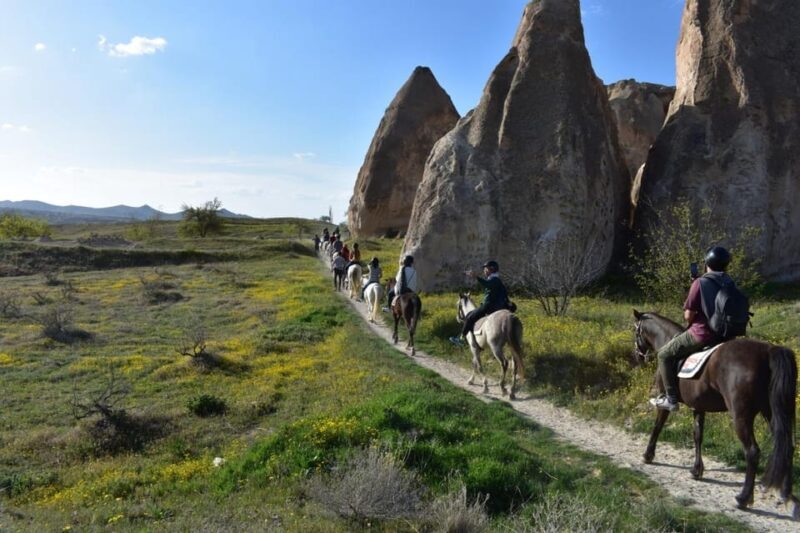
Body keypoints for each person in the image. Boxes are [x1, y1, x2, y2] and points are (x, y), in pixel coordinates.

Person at [649, 246, 733, 412]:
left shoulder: (700, 283)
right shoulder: (729, 282)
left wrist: (695, 286)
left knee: (664, 355)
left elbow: (688, 316)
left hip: (702, 333)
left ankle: (671, 399)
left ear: (707, 263)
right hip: (724, 334)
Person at [450, 260, 509, 346]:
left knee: (469, 317)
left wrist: (476, 277)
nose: (484, 271)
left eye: (486, 269)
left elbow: (487, 284)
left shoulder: (495, 280)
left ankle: (462, 338)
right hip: (494, 306)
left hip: (489, 306)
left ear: (491, 269)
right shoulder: (495, 280)